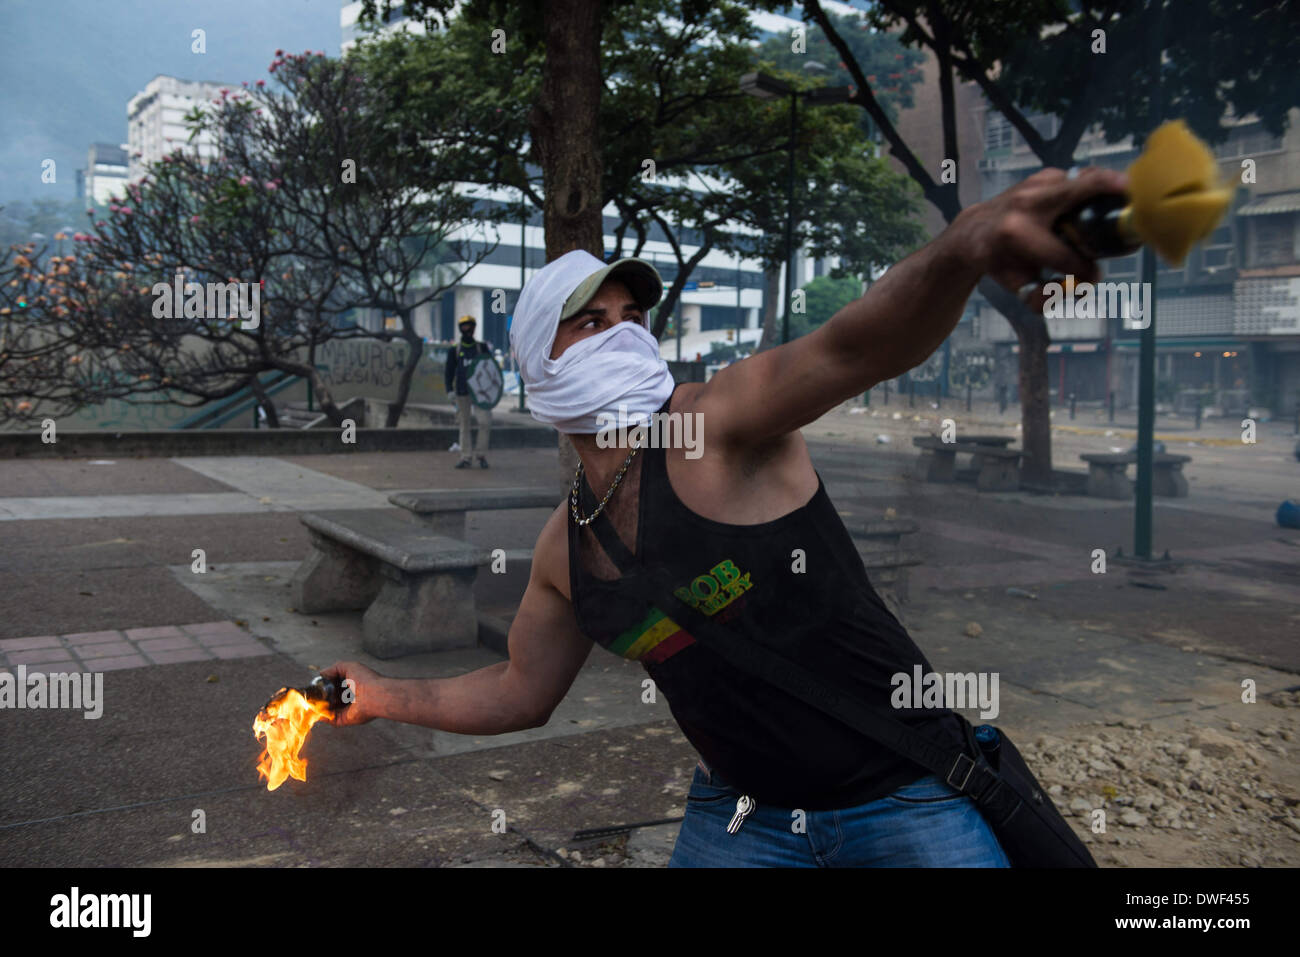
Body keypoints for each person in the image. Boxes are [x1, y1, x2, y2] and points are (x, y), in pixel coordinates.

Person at [326, 166, 1126, 866]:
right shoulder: (562, 553)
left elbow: (858, 346)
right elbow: (518, 689)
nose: (626, 334)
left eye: (633, 316)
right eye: (592, 322)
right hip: (741, 818)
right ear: (541, 368)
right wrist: (379, 695)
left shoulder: (717, 423)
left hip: (904, 795)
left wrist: (963, 248)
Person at [443, 315, 492, 468]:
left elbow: (491, 369)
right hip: (462, 392)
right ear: (460, 329)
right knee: (464, 424)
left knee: (484, 422)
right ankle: (466, 456)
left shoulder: (482, 348)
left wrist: (492, 390)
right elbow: (449, 371)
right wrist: (449, 390)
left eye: (470, 326)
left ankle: (481, 454)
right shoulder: (455, 350)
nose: (467, 329)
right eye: (464, 326)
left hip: (480, 393)